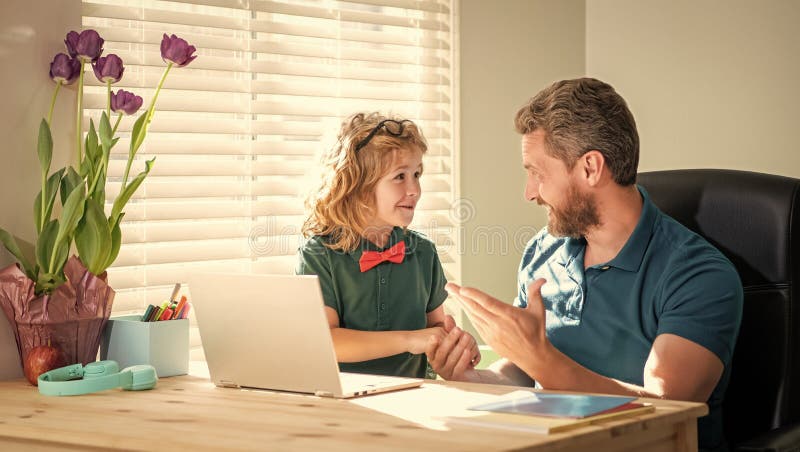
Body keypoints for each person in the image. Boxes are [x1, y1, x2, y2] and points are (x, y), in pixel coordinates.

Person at [426, 78, 743, 451]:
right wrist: (471, 378)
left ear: (591, 167)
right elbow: (522, 373)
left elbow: (665, 408)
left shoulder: (699, 275)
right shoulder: (543, 252)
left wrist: (540, 358)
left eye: (537, 173)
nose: (529, 192)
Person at [297, 112, 480, 378]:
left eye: (417, 174)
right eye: (399, 177)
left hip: (416, 397)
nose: (414, 189)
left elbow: (436, 335)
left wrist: (457, 348)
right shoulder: (319, 255)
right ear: (357, 184)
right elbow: (327, 341)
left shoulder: (423, 253)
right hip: (342, 403)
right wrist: (410, 339)